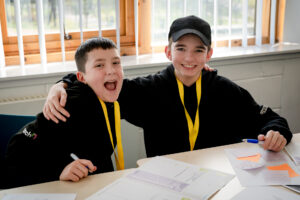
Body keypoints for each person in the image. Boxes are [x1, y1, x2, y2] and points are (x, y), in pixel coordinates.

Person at [43, 15, 292, 158]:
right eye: (180, 49)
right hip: (168, 185)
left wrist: (276, 133)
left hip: (220, 180)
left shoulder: (224, 90)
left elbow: (271, 119)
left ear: (209, 54)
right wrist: (62, 83)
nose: (189, 59)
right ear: (167, 51)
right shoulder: (148, 90)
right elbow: (99, 80)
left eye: (199, 50)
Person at [3, 37, 124, 188]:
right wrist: (58, 171)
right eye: (99, 65)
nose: (111, 70)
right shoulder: (68, 104)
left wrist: (63, 81)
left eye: (116, 62)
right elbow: (17, 150)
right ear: (82, 78)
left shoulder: (115, 92)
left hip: (94, 184)